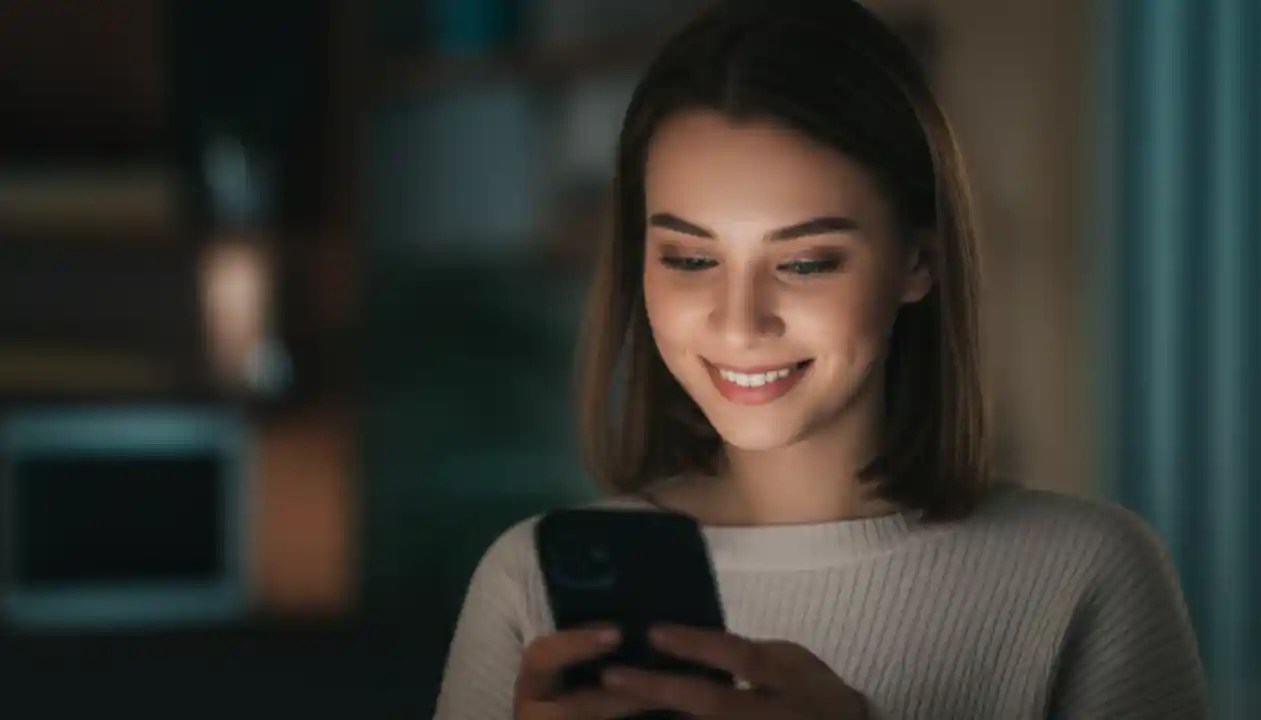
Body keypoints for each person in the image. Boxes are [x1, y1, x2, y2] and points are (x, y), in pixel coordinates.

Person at [434, 0, 1209, 717]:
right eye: (690, 259)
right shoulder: (528, 587)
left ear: (917, 260)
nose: (740, 323)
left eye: (806, 263)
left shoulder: (1088, 578)